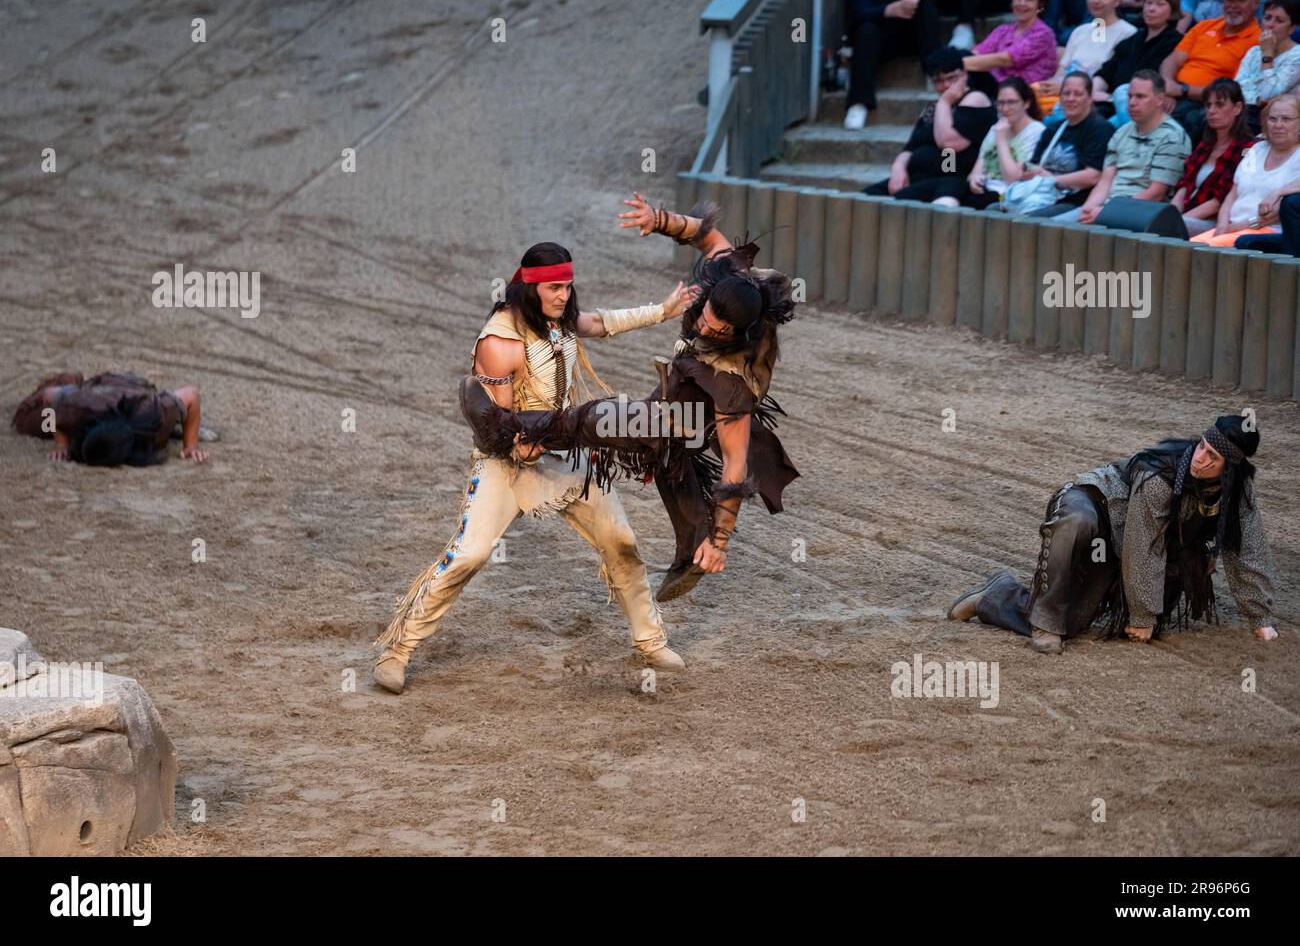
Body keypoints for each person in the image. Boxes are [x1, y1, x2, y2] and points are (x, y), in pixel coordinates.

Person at [371, 244, 698, 694]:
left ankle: (650, 640)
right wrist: (524, 449)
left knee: (620, 541)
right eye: (554, 288)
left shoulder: (558, 317)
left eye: (567, 286)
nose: (564, 296)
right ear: (530, 287)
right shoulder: (500, 341)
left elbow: (599, 324)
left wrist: (662, 310)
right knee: (469, 554)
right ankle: (398, 650)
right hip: (509, 462)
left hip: (567, 449)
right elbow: (501, 427)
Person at [462, 195, 800, 605]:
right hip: (681, 383)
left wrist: (722, 543)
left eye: (718, 327)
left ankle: (511, 428)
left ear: (737, 334)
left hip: (701, 401)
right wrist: (659, 219)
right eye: (706, 313)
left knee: (597, 419)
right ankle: (691, 545)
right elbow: (706, 234)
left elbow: (735, 465)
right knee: (666, 454)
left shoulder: (734, 383)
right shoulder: (727, 272)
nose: (706, 324)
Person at [948, 415, 1279, 653]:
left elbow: (1247, 551)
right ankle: (1044, 623)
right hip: (1094, 503)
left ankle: (996, 594)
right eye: (1202, 446)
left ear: (1229, 470)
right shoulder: (1161, 477)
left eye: (1213, 456)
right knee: (1074, 523)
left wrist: (1259, 618)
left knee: (1074, 624)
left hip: (1118, 542)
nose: (1200, 458)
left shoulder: (1238, 493)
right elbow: (1142, 544)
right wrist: (1143, 615)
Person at [1054, 70, 1192, 220]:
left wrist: (1108, 212)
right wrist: (1088, 209)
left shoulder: (1172, 137)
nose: (1132, 102)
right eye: (1130, 96)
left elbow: (1156, 194)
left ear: (1159, 99)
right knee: (1054, 227)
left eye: (1140, 97)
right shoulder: (1121, 133)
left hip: (1143, 214)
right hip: (1108, 207)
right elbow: (1105, 182)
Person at [863, 48, 998, 201]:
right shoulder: (933, 107)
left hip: (950, 177)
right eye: (939, 81)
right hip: (918, 175)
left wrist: (945, 102)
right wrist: (898, 169)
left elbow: (949, 144)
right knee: (862, 198)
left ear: (964, 75)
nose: (946, 85)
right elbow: (911, 146)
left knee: (899, 202)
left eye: (952, 78)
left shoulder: (975, 98)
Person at [12, 372, 208, 465]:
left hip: (135, 388)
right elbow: (49, 396)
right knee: (33, 423)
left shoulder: (155, 415)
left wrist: (190, 445)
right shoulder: (76, 409)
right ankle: (71, 379)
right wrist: (61, 443)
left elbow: (191, 396)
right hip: (94, 390)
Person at [1192, 91, 1300, 243]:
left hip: (1265, 233)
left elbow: (1277, 213)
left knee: (1203, 250)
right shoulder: (1256, 149)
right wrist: (1222, 225)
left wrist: (1238, 227)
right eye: (1272, 119)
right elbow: (1232, 194)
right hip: (1231, 228)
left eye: (1286, 119)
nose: (1278, 125)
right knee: (1184, 249)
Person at [1161, 0, 1262, 142]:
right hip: (1175, 92)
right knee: (1131, 93)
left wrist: (1182, 90)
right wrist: (1168, 85)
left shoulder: (1257, 40)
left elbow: (1234, 88)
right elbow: (1172, 60)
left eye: (1241, 0)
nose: (1233, 6)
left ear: (1255, 3)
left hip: (1208, 102)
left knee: (1192, 119)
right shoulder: (1204, 26)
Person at [937, 76, 1046, 207]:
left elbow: (1013, 179)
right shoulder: (997, 128)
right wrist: (974, 180)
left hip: (1008, 195)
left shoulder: (1037, 132)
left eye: (1011, 102)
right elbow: (976, 170)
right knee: (948, 184)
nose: (1005, 108)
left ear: (1026, 103)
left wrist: (1001, 139)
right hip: (984, 189)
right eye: (1001, 103)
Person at [844, 0, 942, 130]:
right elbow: (859, 12)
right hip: (879, 41)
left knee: (924, 0)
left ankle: (935, 70)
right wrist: (889, 10)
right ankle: (859, 102)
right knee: (866, 30)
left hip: (914, 35)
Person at [1170, 77, 1255, 233]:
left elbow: (1219, 201)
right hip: (1188, 216)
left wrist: (1176, 223)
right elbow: (1184, 185)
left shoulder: (1249, 148)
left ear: (1237, 108)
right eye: (1208, 105)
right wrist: (1170, 216)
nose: (1211, 111)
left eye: (1219, 104)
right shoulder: (1205, 145)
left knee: (1166, 228)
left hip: (1217, 222)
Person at [1034, 0, 1137, 118]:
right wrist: (1049, 85)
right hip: (1061, 93)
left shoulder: (1128, 33)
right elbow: (1062, 70)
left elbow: (1112, 77)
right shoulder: (1080, 31)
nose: (1096, 0)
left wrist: (1065, 87)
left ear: (1117, 1)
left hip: (1092, 102)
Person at [1020, 71, 1114, 211]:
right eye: (1066, 93)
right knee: (996, 209)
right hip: (1041, 196)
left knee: (1029, 219)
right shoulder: (1052, 130)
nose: (1071, 98)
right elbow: (1032, 167)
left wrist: (1051, 179)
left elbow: (1093, 176)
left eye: (1078, 94)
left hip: (1075, 202)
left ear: (1089, 98)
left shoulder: (1100, 129)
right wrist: (1030, 170)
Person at [1094, 0, 1184, 123]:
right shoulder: (1132, 39)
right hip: (1111, 102)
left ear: (1172, 10)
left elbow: (1154, 80)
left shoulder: (1176, 42)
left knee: (1116, 103)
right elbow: (1107, 70)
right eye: (1148, 3)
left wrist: (1110, 97)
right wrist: (1094, 91)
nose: (1151, 9)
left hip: (1141, 105)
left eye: (1160, 4)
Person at [964, 0, 1061, 84]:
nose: (1022, 3)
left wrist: (959, 63)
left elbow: (1005, 59)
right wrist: (957, 60)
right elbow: (978, 52)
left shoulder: (1043, 34)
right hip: (996, 86)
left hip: (1024, 93)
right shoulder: (1003, 30)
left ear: (1039, 5)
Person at [1236, 0, 1300, 132]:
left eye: (1279, 20)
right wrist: (1256, 99)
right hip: (1245, 113)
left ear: (1292, 28)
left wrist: (1267, 56)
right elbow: (1238, 87)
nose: (1271, 25)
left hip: (1275, 123)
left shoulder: (1297, 56)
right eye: (1267, 18)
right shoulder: (1253, 52)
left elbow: (1268, 93)